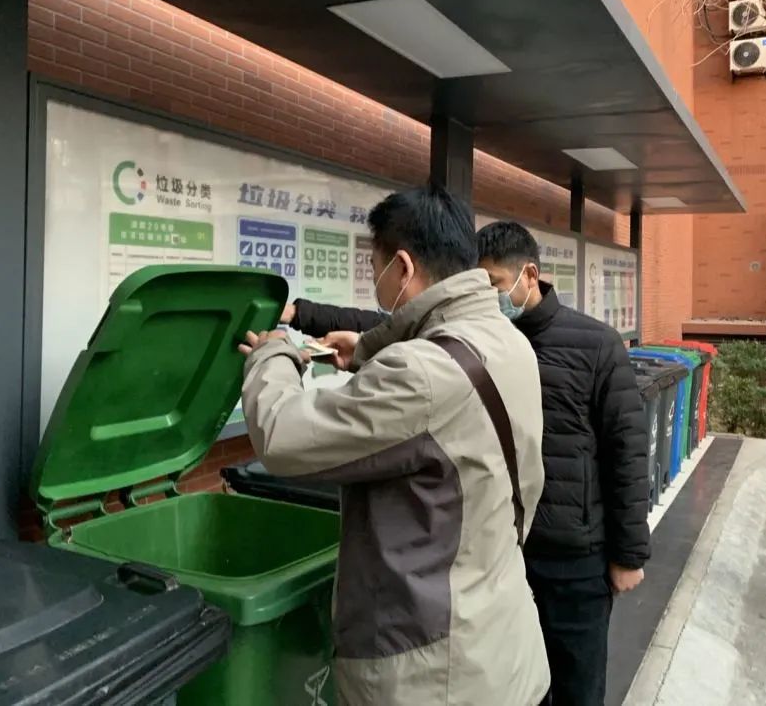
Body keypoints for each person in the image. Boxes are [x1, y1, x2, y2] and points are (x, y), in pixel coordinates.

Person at [282, 221, 650, 706]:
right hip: (498, 555)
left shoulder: (594, 343)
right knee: (520, 683)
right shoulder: (469, 337)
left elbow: (627, 449)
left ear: (530, 276)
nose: (487, 297)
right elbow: (385, 322)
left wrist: (629, 554)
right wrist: (301, 314)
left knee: (577, 686)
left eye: (496, 285)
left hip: (571, 556)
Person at [238, 186, 550, 706]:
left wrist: (275, 357)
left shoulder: (422, 373)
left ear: (402, 267)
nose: (374, 280)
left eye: (375, 267)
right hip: (498, 633)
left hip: (433, 671)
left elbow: (283, 437)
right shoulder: (507, 339)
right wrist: (362, 349)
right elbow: (440, 368)